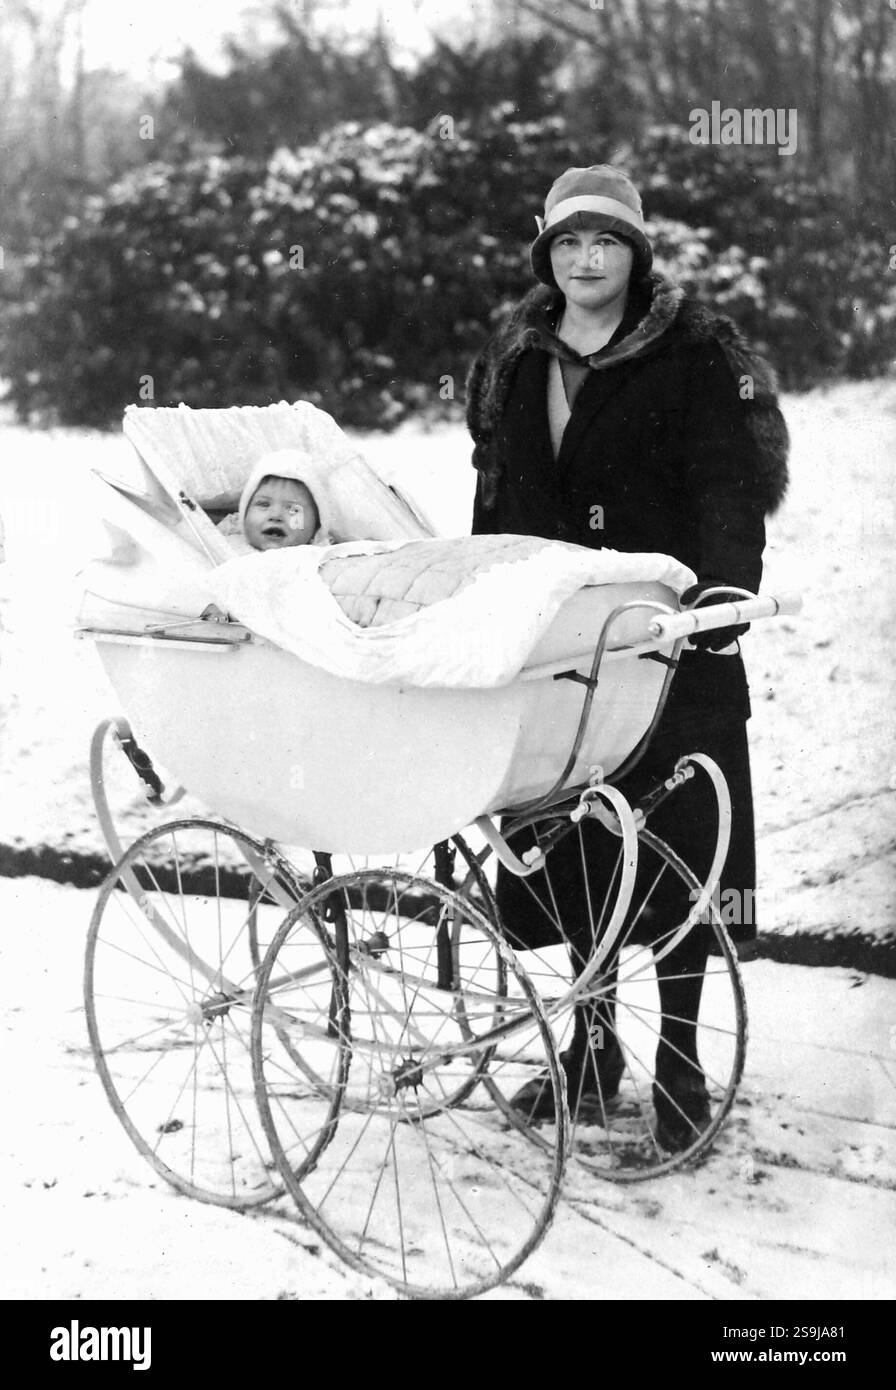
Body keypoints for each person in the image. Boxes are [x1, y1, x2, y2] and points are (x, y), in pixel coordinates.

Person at [466, 164, 789, 1151]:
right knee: (571, 851)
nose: (585, 259)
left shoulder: (691, 357)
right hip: (556, 648)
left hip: (665, 640)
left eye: (603, 241)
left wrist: (720, 596)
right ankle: (592, 1047)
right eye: (567, 243)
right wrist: (476, 599)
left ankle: (682, 1061)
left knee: (675, 855)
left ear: (634, 253)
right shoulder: (519, 358)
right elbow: (494, 490)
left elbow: (729, 483)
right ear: (546, 254)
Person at [218, 449, 333, 554]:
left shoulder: (320, 559)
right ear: (244, 514)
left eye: (293, 509)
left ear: (317, 527)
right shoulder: (225, 548)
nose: (276, 516)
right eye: (263, 504)